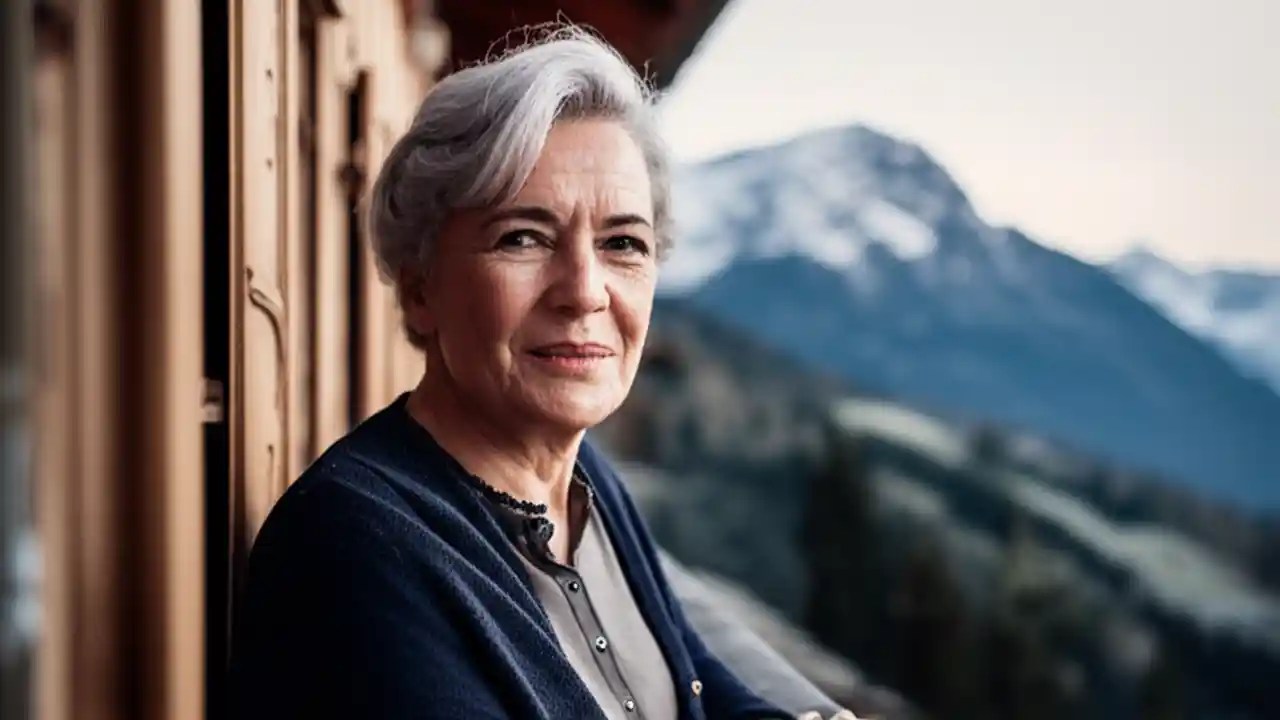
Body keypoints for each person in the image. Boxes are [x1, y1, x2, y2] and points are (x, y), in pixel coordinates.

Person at [229, 26, 857, 720]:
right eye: (522, 237)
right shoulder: (356, 548)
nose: (585, 291)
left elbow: (693, 674)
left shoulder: (589, 485)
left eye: (623, 243)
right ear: (419, 288)